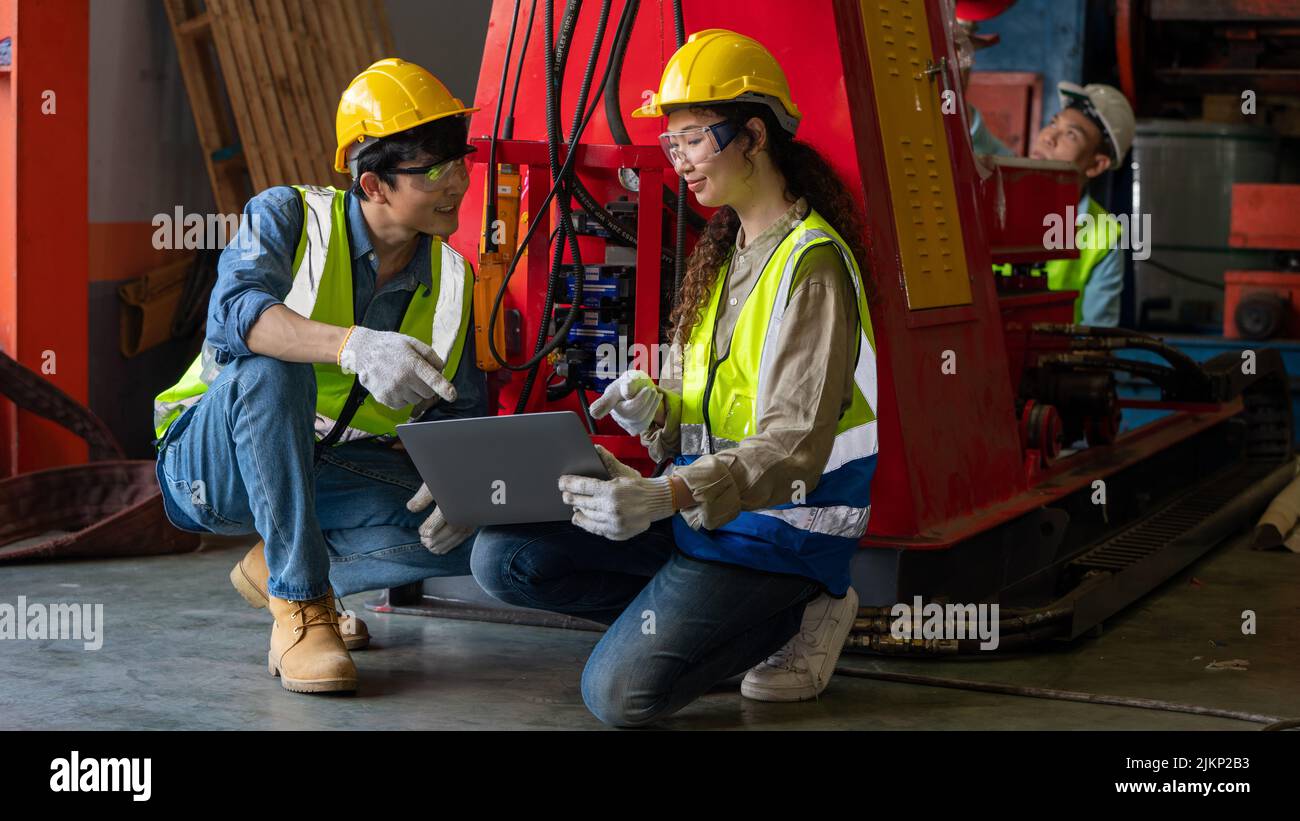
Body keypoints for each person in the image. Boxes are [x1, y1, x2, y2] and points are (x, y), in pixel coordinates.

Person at [471, 29, 879, 727]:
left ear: (753, 134)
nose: (680, 160)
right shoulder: (726, 252)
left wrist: (666, 493)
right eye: (673, 144)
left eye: (693, 139)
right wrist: (654, 413)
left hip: (777, 543)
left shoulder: (810, 265)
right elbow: (713, 414)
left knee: (618, 695)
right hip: (698, 519)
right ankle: (691, 618)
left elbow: (793, 445)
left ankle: (806, 612)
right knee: (502, 557)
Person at [151, 59, 487, 694]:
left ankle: (280, 560)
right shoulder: (287, 217)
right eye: (434, 169)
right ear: (372, 185)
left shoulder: (453, 277)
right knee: (273, 368)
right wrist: (352, 345)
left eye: (460, 161)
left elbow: (457, 410)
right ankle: (302, 607)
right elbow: (233, 316)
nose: (459, 183)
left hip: (327, 469)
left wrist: (464, 486)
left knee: (486, 534)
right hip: (211, 468)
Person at [1027, 82, 1136, 326]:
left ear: (1097, 165)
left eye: (1071, 134)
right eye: (1054, 123)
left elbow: (1097, 338)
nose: (1049, 137)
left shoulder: (1104, 238)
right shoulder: (993, 196)